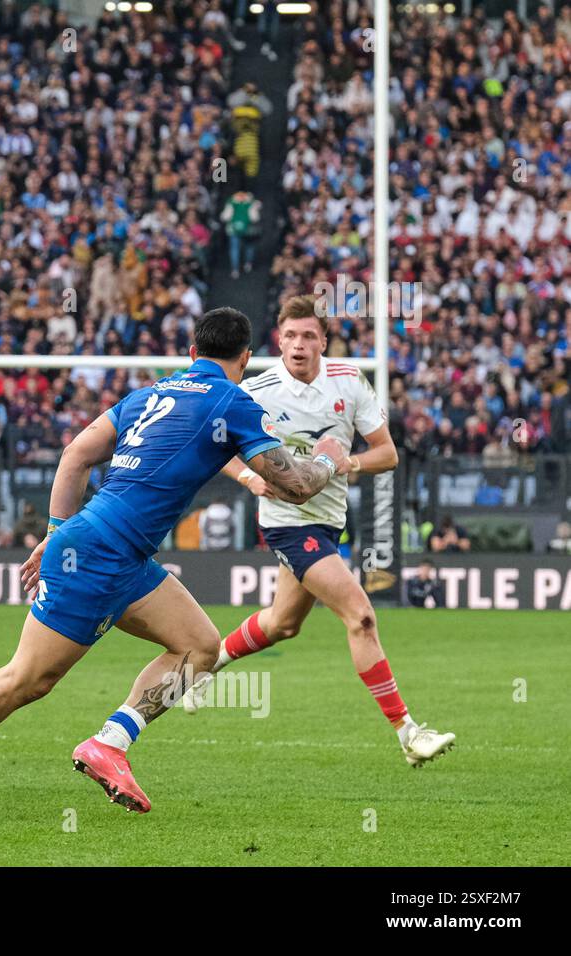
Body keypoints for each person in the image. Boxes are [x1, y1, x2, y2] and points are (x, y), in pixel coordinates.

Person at [0, 307, 344, 812]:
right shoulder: (234, 400)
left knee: (199, 648)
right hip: (102, 549)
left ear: (192, 354)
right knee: (29, 679)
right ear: (246, 358)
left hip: (111, 548)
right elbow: (298, 485)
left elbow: (75, 456)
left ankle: (109, 743)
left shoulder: (147, 395)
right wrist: (329, 457)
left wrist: (56, 533)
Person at [184, 295, 455, 768]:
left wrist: (340, 463)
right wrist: (249, 477)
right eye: (290, 336)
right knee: (361, 616)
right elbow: (214, 443)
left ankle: (201, 667)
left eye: (309, 335)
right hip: (288, 524)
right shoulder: (260, 390)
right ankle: (408, 733)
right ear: (279, 342)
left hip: (329, 520)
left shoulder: (349, 383)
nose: (299, 345)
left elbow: (386, 454)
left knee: (281, 624)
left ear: (323, 342)